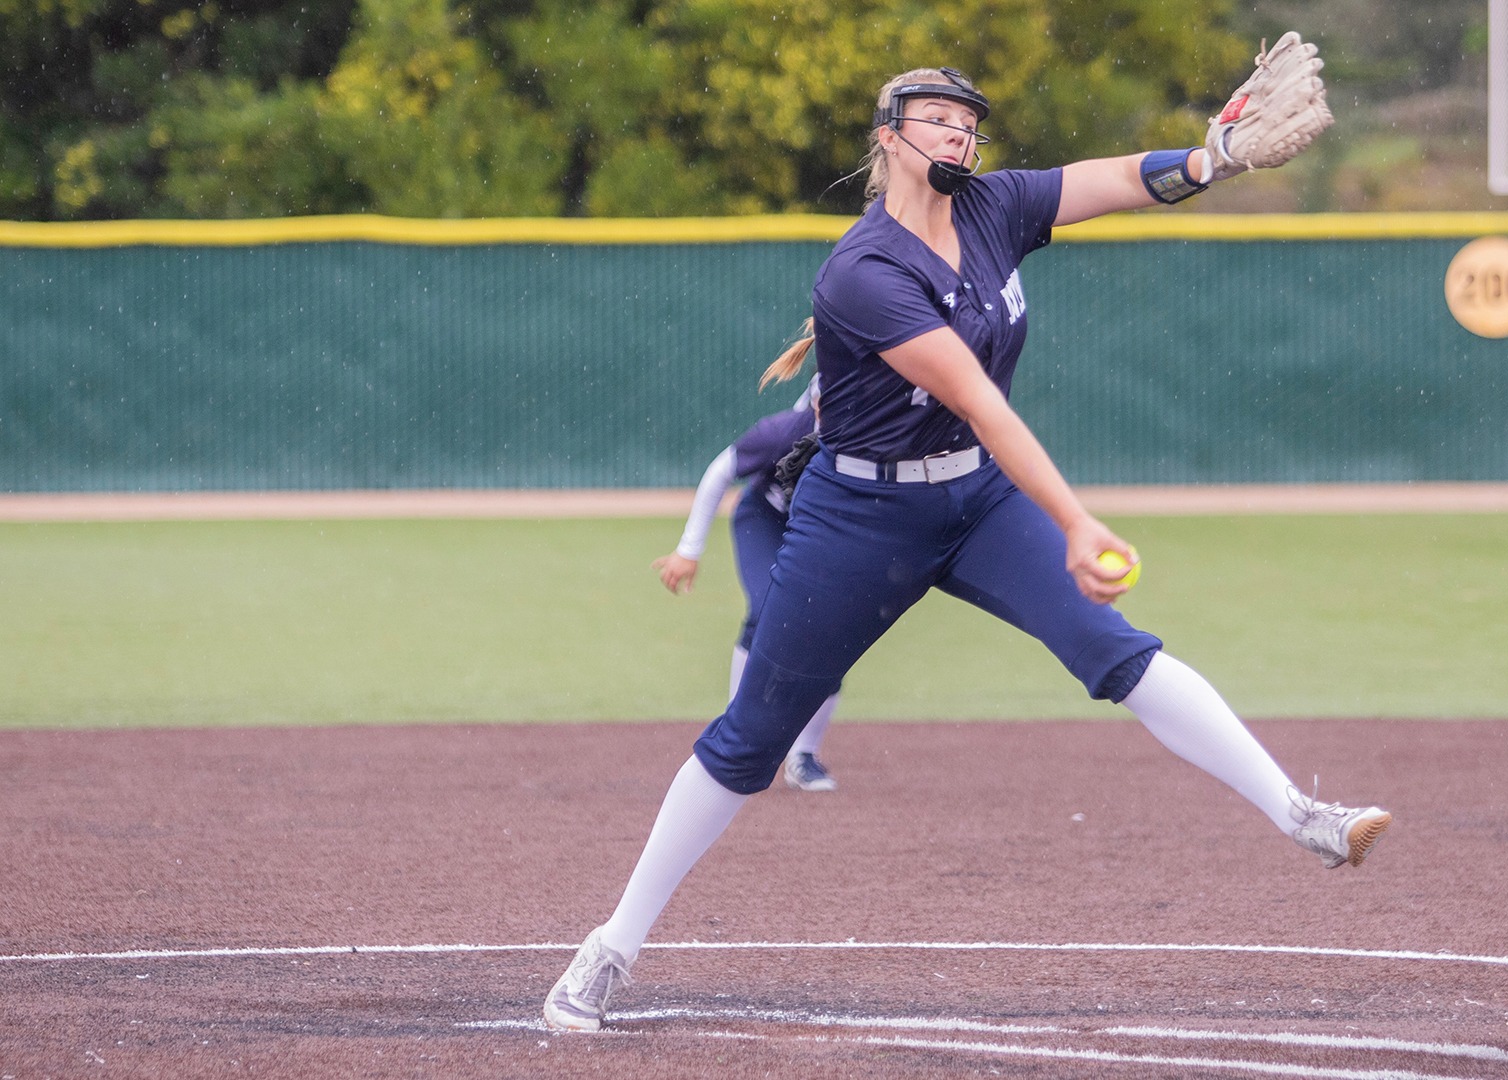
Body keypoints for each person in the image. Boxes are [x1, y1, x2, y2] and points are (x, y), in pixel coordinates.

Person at [546, 50, 1386, 1033]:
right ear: (889, 134)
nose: (959, 131)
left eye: (968, 120)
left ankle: (1302, 816)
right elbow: (978, 399)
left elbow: (1116, 181)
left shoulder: (993, 210)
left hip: (977, 505)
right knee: (750, 741)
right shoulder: (864, 270)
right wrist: (1075, 520)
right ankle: (609, 949)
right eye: (937, 117)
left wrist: (1212, 160)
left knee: (1113, 650)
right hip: (860, 519)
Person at [652, 375, 841, 792]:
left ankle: (804, 755)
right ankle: (737, 732)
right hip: (767, 520)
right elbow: (722, 471)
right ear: (814, 405)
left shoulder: (876, 440)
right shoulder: (783, 432)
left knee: (835, 631)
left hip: (827, 534)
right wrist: (689, 549)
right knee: (765, 610)